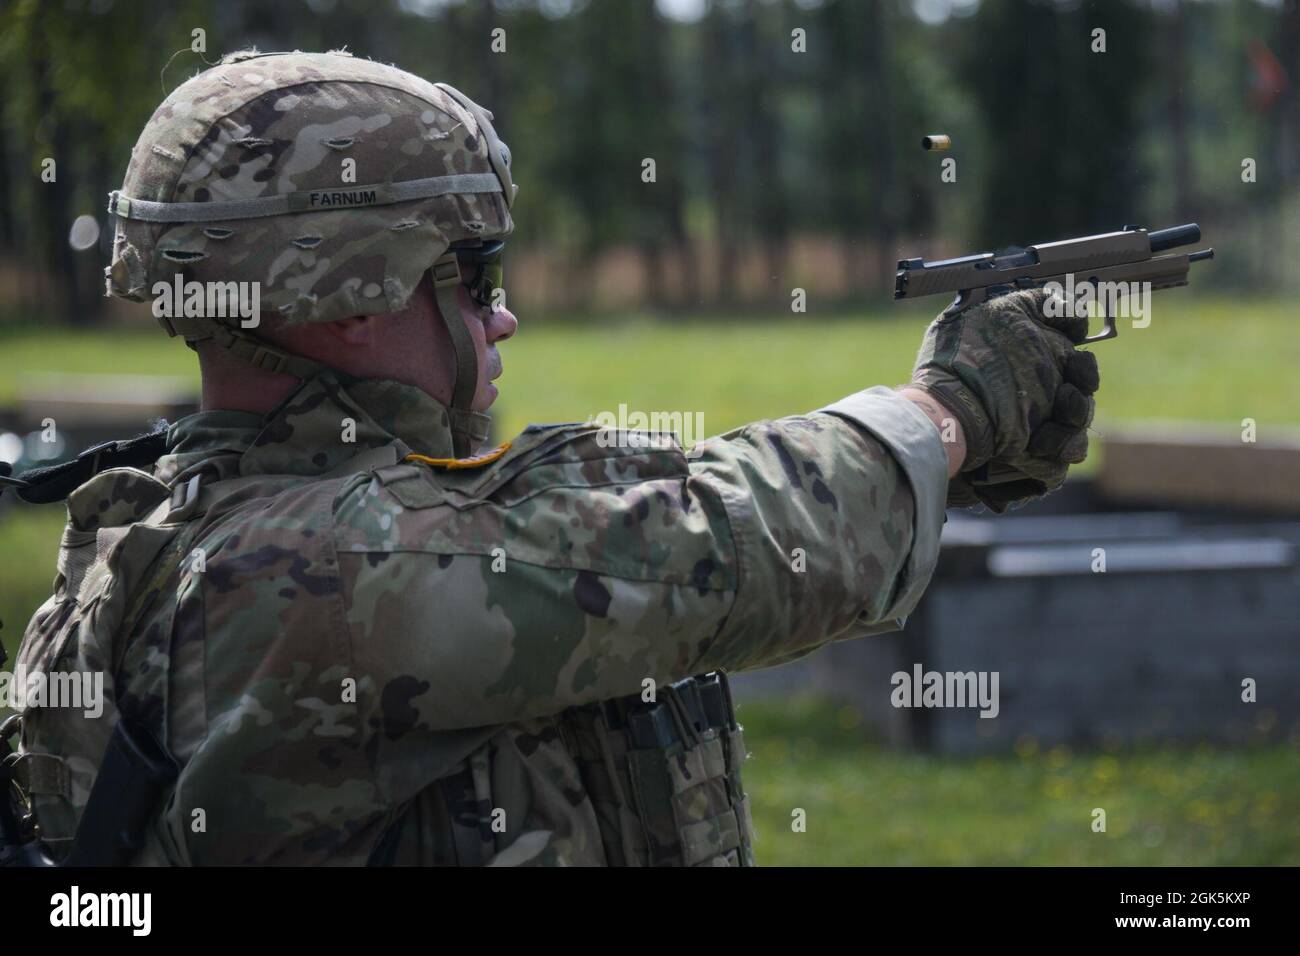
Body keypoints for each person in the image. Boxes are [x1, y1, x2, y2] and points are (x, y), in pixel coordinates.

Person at [7, 50, 1098, 866]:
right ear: (351, 295)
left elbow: (582, 519)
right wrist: (951, 409)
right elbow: (717, 548)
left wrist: (942, 450)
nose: (503, 315)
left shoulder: (153, 535)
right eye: (472, 273)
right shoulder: (332, 571)